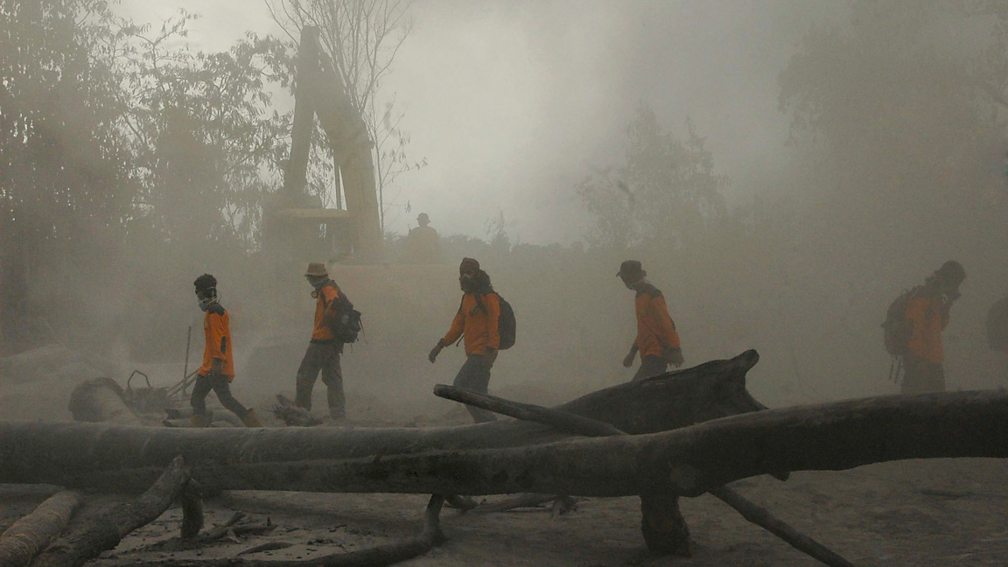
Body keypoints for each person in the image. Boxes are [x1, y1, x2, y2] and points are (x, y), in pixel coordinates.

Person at [428, 257, 501, 422]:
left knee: (461, 386)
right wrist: (440, 345)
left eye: (469, 273)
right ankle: (487, 424)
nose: (465, 277)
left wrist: (491, 349)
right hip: (475, 353)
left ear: (476, 274)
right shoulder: (467, 299)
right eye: (462, 273)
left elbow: (493, 322)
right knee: (478, 392)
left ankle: (487, 421)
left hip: (483, 353)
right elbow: (457, 327)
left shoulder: (488, 296)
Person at [190, 274, 261, 427]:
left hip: (215, 367)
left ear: (203, 293)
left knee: (224, 400)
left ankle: (253, 423)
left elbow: (219, 339)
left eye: (198, 293)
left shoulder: (214, 313)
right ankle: (199, 429)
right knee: (199, 398)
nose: (197, 297)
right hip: (209, 367)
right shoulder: (215, 311)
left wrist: (217, 362)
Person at [899, 260, 966, 394]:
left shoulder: (934, 298)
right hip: (921, 365)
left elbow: (938, 327)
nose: (956, 288)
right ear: (948, 279)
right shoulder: (922, 297)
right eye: (955, 283)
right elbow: (915, 333)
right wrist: (920, 363)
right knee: (918, 408)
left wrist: (948, 304)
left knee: (930, 409)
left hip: (931, 362)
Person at [296, 262, 350, 420]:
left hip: (322, 341)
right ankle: (338, 415)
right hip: (333, 342)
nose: (309, 281)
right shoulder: (330, 288)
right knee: (333, 379)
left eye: (310, 278)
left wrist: (325, 323)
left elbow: (334, 305)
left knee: (304, 376)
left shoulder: (327, 290)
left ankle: (301, 412)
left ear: (314, 277)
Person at [617, 260, 684, 381]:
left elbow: (666, 322)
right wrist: (632, 353)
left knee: (636, 389)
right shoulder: (640, 295)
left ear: (632, 277)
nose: (624, 282)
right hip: (648, 353)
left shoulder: (652, 294)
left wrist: (675, 349)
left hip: (657, 353)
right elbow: (645, 328)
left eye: (625, 278)